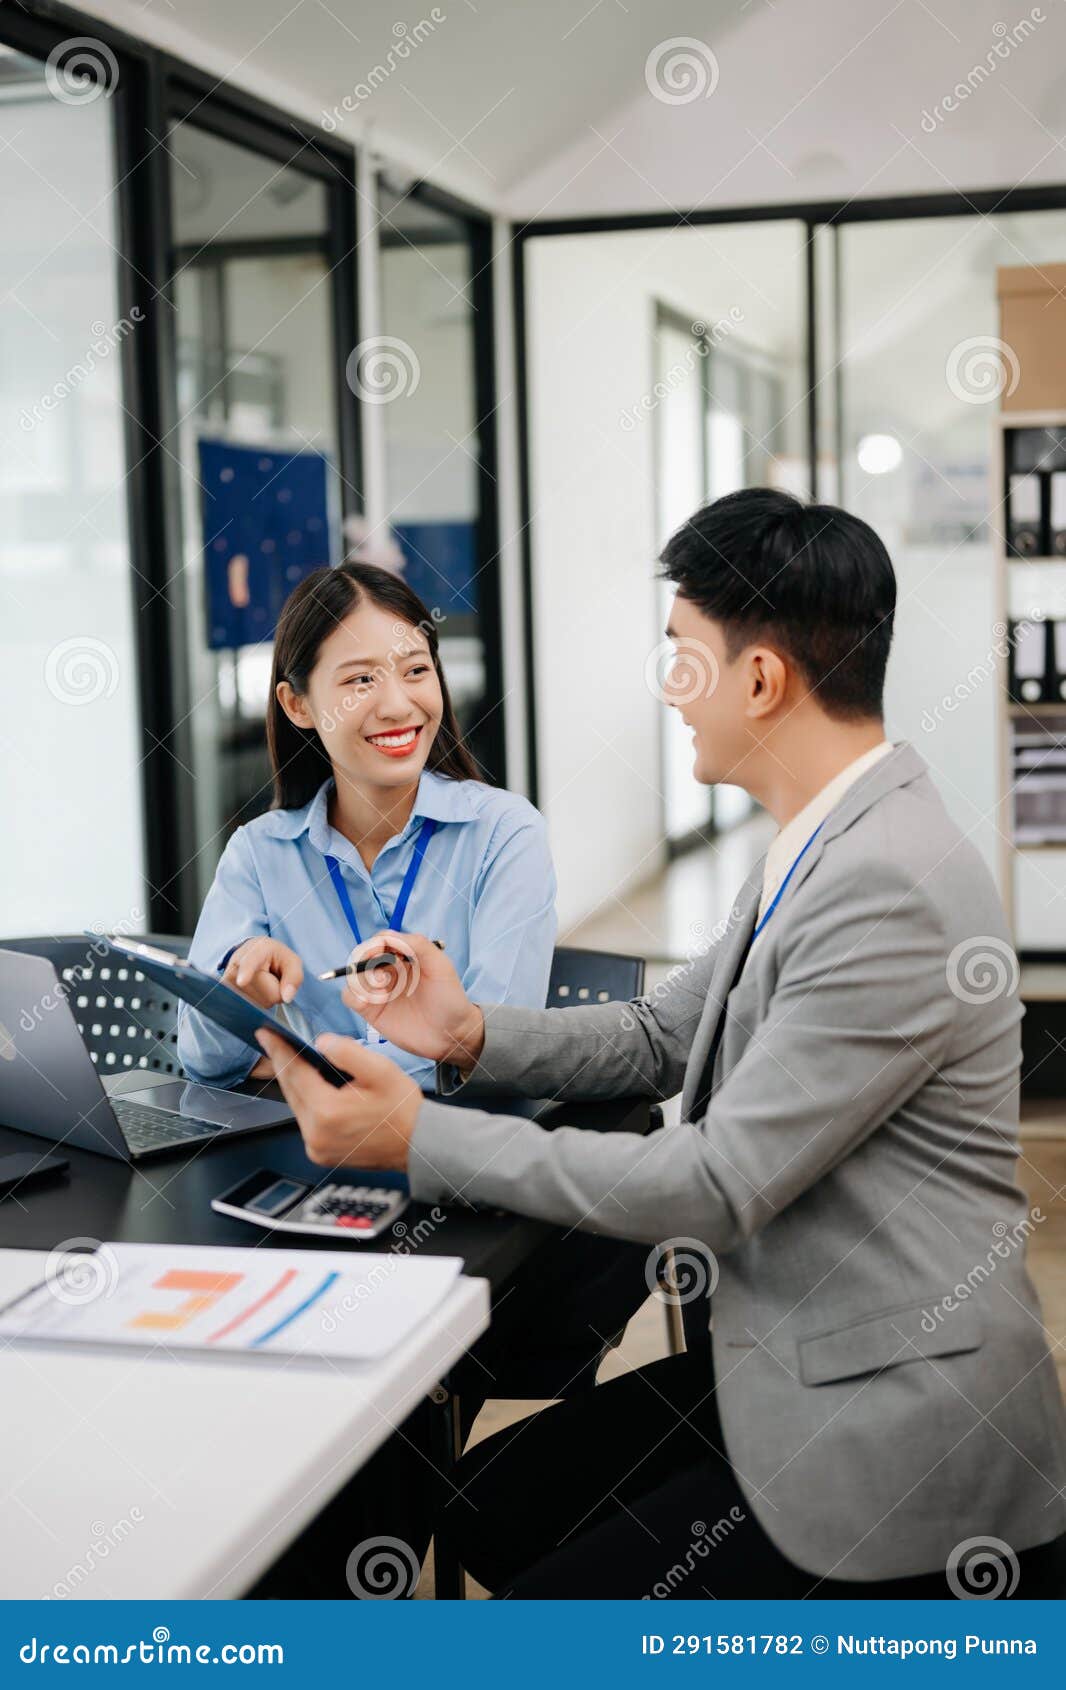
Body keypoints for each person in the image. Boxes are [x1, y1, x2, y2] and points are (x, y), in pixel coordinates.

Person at [258, 488, 1066, 1599]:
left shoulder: (888, 883)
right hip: (792, 1357)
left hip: (896, 1423)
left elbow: (716, 1183)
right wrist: (466, 1030)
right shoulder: (820, 839)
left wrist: (414, 1137)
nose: (669, 687)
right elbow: (657, 1034)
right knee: (484, 1506)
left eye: (683, 655)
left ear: (762, 680)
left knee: (536, 1603)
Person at [176, 561, 557, 1091]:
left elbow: (493, 1050)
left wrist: (297, 1066)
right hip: (318, 1153)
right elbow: (202, 1061)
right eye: (360, 680)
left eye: (416, 671)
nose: (398, 705)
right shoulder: (260, 854)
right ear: (298, 704)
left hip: (460, 1155)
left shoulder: (504, 835)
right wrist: (242, 996)